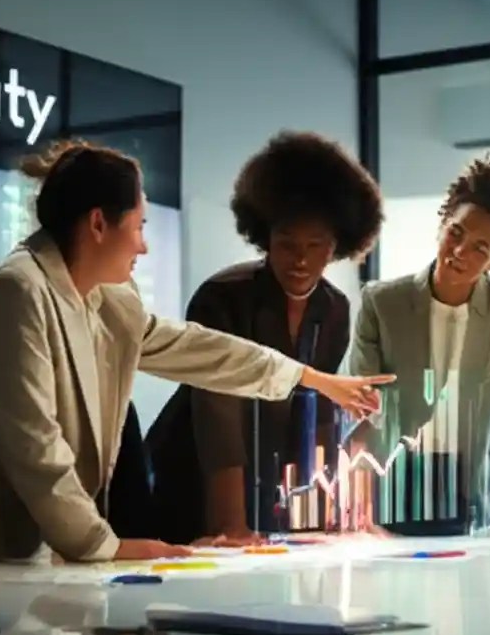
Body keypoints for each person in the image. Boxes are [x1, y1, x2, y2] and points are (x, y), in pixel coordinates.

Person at [0, 139, 393, 565]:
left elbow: (194, 348)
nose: (144, 246)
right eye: (140, 226)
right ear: (100, 224)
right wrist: (106, 546)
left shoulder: (109, 296)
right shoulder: (17, 293)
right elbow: (35, 449)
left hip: (19, 553)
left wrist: (311, 377)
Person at [147, 131, 384, 544]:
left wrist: (326, 511)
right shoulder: (221, 297)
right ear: (265, 238)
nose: (301, 259)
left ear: (336, 247)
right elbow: (216, 410)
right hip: (195, 476)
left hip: (274, 488)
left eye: (316, 246)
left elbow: (319, 414)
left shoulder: (335, 310)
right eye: (287, 244)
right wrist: (230, 525)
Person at [349, 155, 490, 531]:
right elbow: (364, 403)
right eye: (456, 233)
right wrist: (362, 500)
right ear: (442, 225)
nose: (460, 251)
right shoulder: (382, 302)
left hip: (478, 491)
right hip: (400, 490)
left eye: (480, 248)